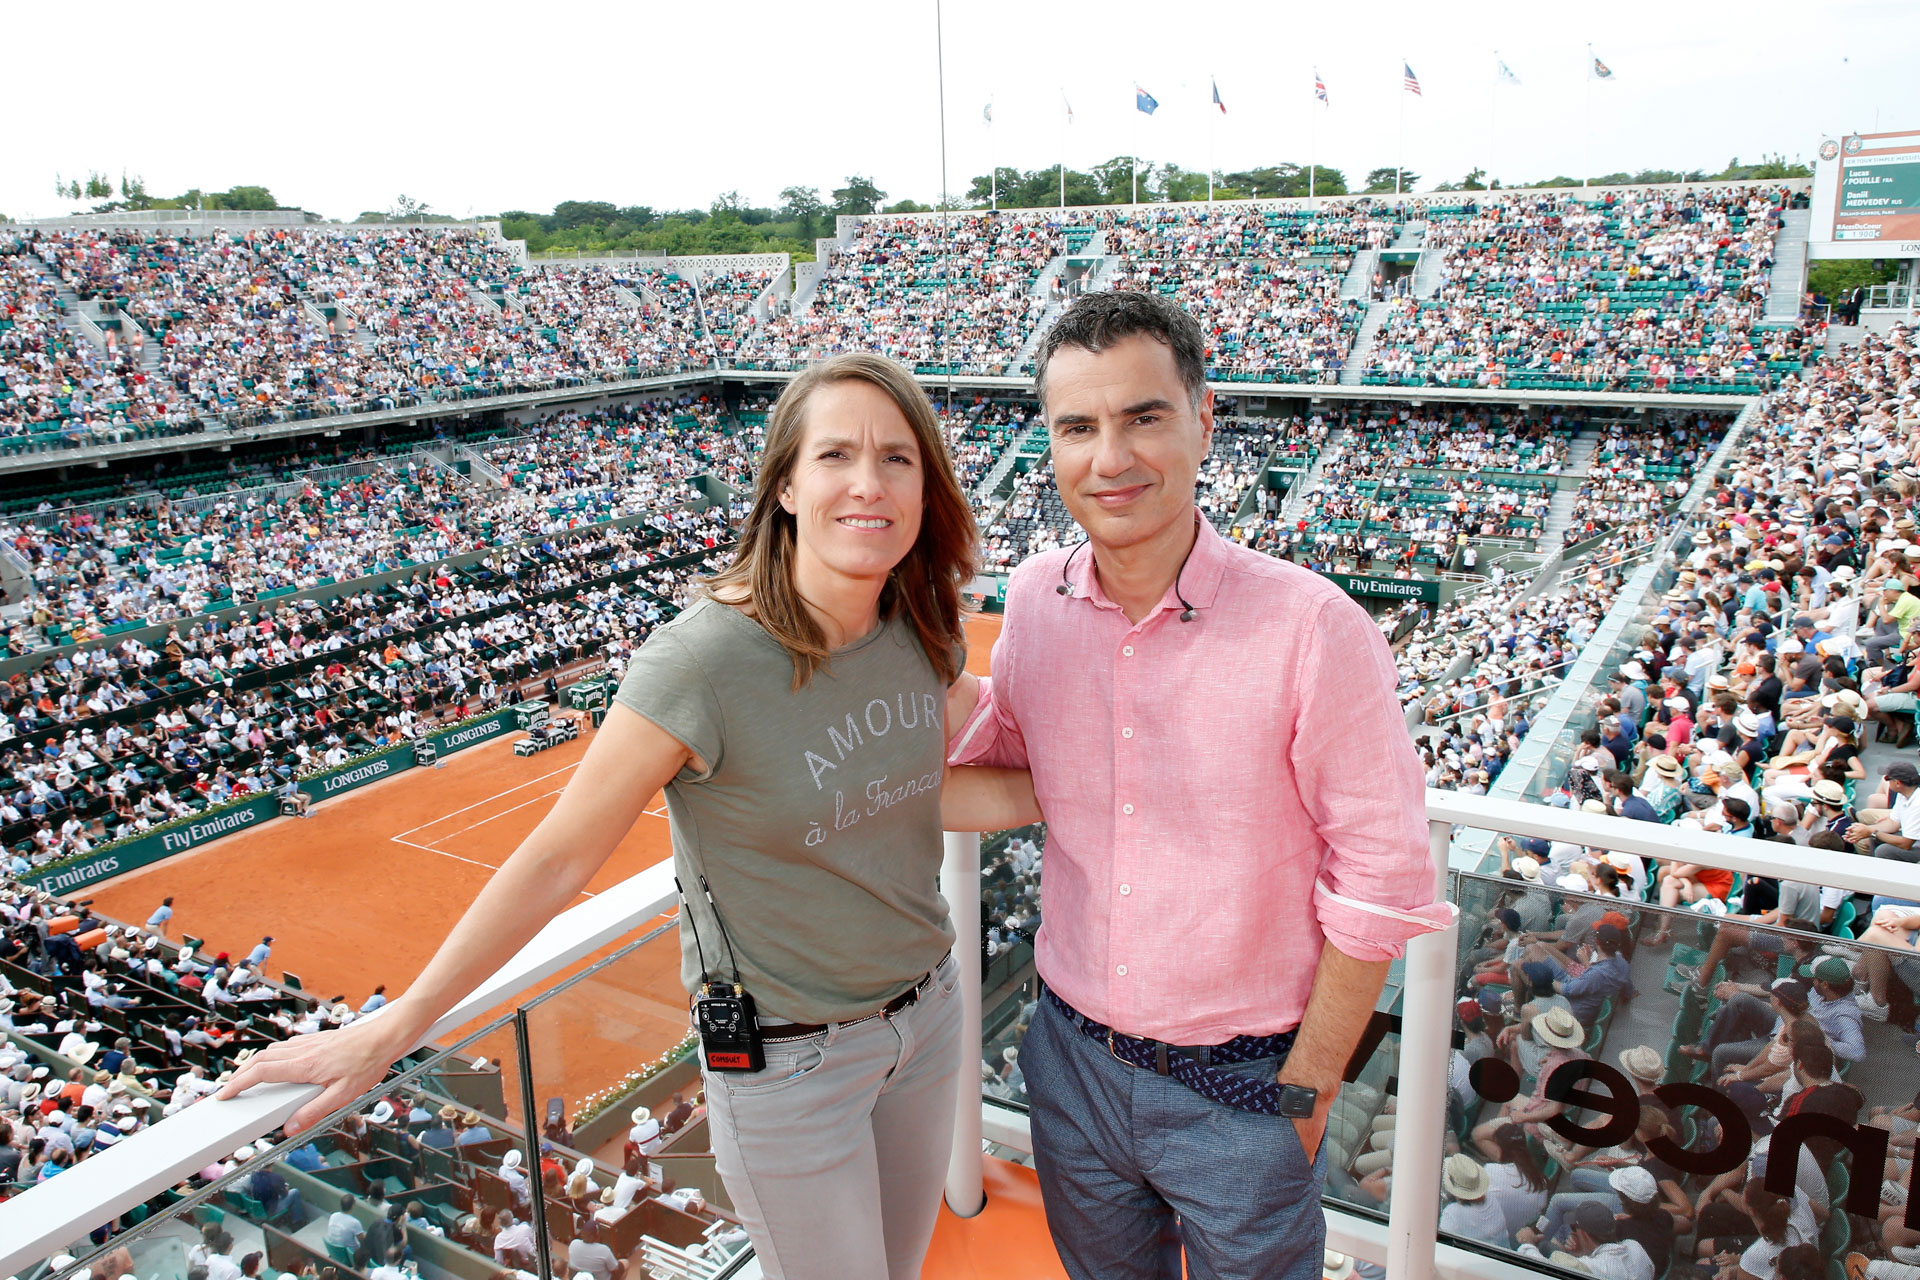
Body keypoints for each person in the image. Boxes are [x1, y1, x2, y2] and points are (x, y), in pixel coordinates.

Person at [218, 353, 1039, 1280]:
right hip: (790, 1069)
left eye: (898, 458)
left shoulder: (914, 625)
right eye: (836, 455)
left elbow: (912, 785)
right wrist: (397, 1025)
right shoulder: (699, 662)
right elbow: (560, 858)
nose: (868, 482)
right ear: (784, 487)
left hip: (927, 1020)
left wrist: (1100, 786)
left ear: (926, 487)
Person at [947, 290, 1452, 1279]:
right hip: (1068, 1059)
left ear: (1204, 419)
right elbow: (1006, 743)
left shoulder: (1315, 626)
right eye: (1078, 426)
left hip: (1249, 1079)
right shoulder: (1036, 598)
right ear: (1050, 442)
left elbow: (1385, 876)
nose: (1111, 457)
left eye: (1143, 416)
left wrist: (1302, 1097)